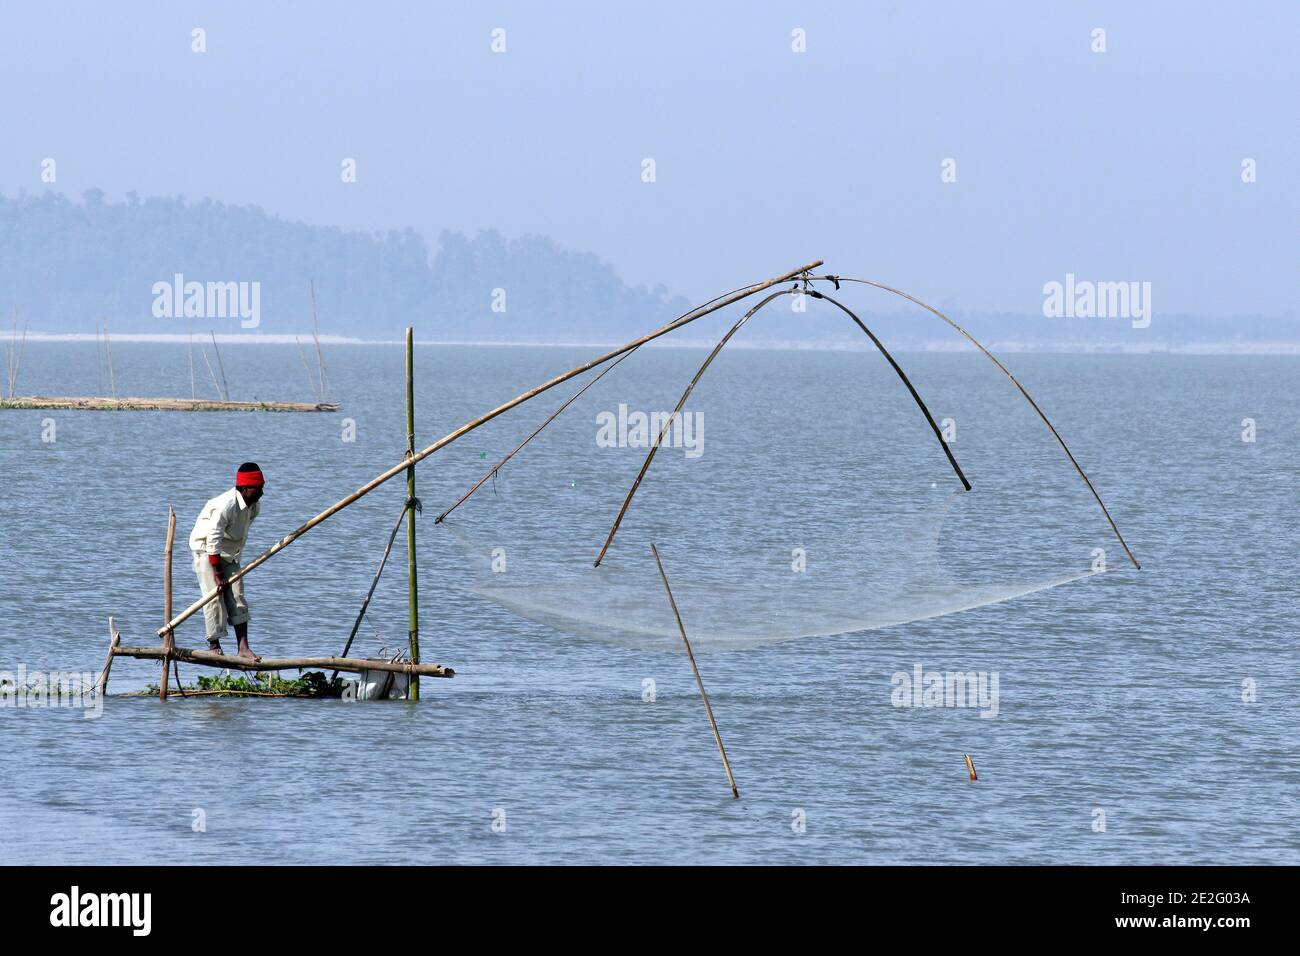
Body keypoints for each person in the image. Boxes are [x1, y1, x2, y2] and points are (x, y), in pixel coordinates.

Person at [188, 462, 265, 660]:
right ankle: (214, 644)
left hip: (229, 552)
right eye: (257, 488)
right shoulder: (226, 505)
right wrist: (218, 573)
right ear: (244, 488)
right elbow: (213, 538)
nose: (261, 492)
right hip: (206, 549)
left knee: (238, 596)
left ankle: (243, 648)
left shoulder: (254, 506)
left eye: (262, 487)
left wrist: (232, 560)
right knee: (214, 596)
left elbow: (240, 534)